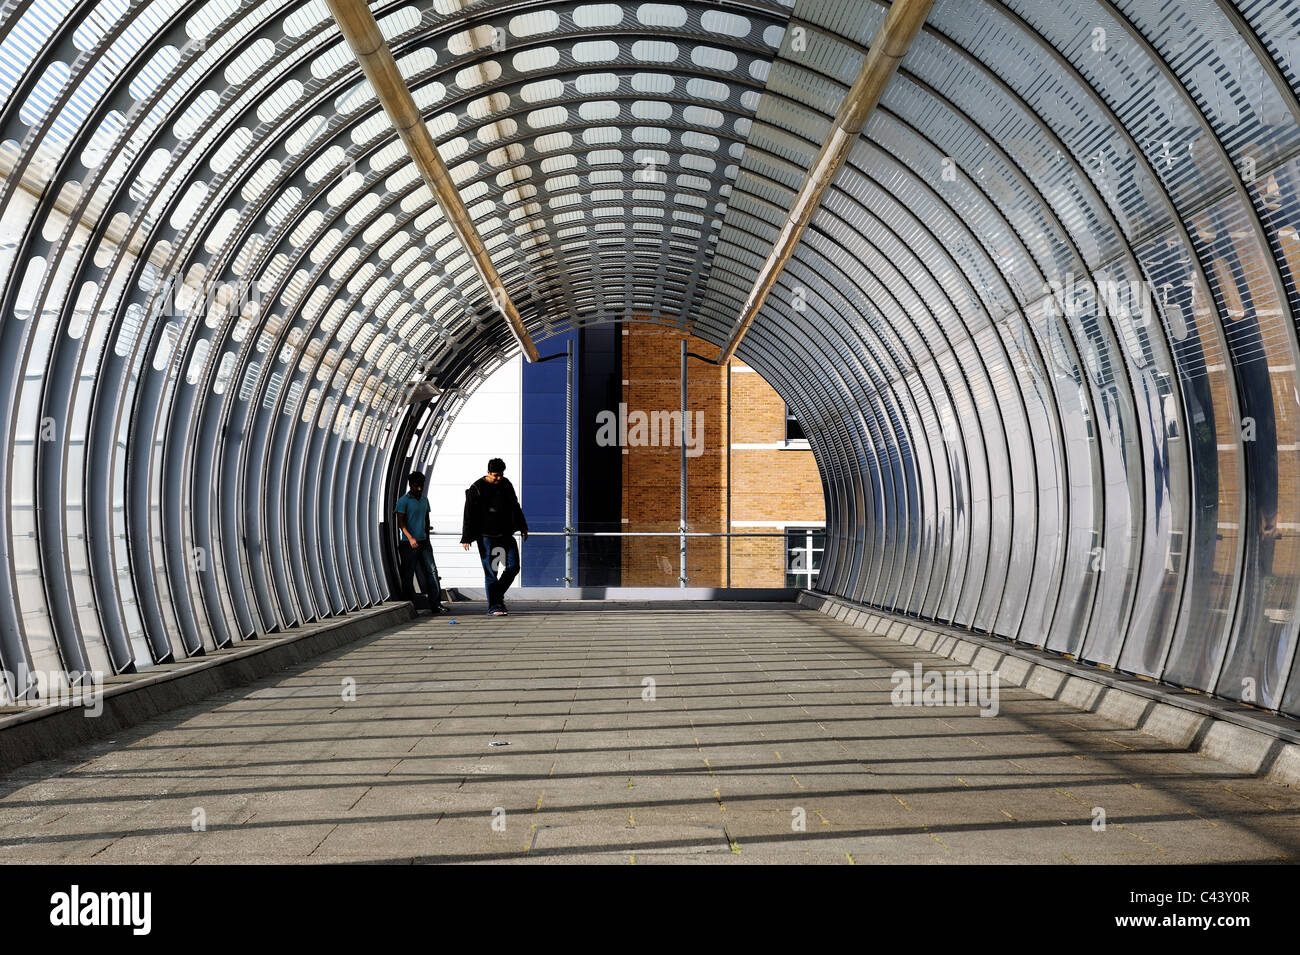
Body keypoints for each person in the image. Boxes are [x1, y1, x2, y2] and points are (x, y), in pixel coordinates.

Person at [460, 457, 528, 616]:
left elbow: (515, 506)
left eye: (501, 475)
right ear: (488, 472)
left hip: (505, 533)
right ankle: (494, 606)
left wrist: (523, 526)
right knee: (491, 571)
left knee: (513, 566)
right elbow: (468, 513)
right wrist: (466, 537)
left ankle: (496, 595)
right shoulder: (477, 487)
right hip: (486, 536)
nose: (499, 478)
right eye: (496, 475)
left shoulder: (506, 484)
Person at [395, 470, 445, 615]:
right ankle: (410, 606)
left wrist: (427, 537)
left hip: (424, 542)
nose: (420, 488)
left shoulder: (424, 500)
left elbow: (426, 518)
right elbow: (400, 522)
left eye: (421, 485)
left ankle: (436, 605)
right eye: (417, 486)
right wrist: (410, 538)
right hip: (408, 543)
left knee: (432, 571)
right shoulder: (403, 501)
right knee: (408, 574)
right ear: (411, 485)